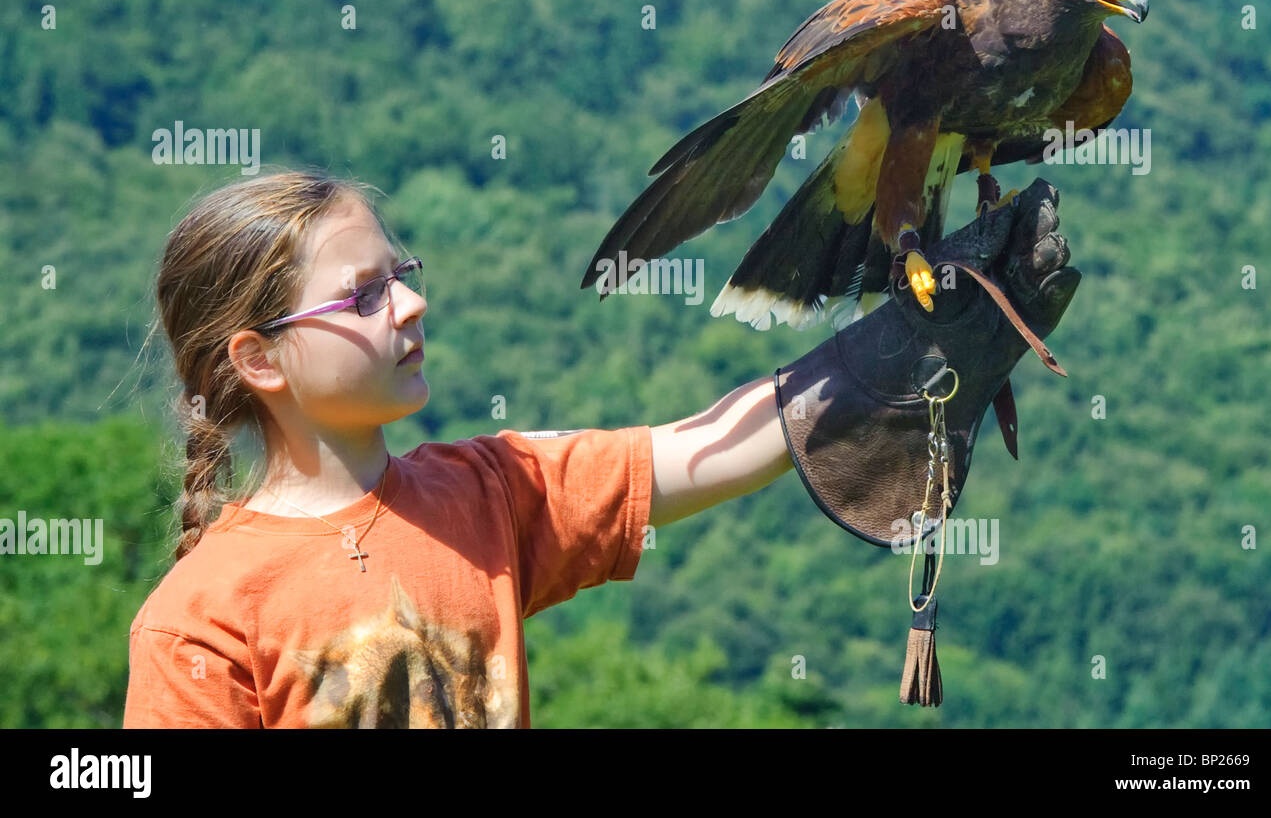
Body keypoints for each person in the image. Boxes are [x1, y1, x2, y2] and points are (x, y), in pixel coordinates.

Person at [122, 168, 1077, 728]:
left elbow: (704, 449)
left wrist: (889, 352)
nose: (410, 303)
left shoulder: (487, 494)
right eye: (364, 295)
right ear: (258, 359)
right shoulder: (196, 621)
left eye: (402, 275)